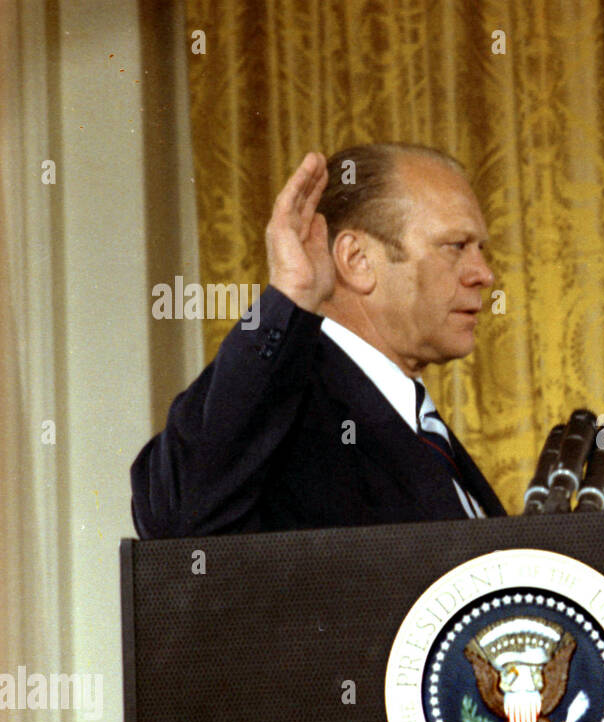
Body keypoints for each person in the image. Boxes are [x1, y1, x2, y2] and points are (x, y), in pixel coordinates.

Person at [131, 144, 506, 537]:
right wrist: (290, 297)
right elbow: (177, 518)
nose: (483, 273)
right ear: (357, 259)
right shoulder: (292, 405)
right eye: (456, 247)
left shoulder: (420, 425)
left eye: (481, 249)